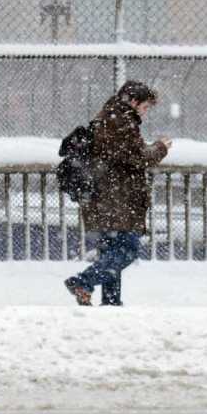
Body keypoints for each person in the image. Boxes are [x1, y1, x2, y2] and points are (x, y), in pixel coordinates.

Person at [64, 81, 169, 307]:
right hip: (116, 199)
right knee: (127, 251)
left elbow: (126, 155)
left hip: (107, 198)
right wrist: (161, 147)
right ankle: (84, 282)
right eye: (146, 106)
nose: (146, 111)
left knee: (112, 252)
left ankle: (111, 303)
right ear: (133, 101)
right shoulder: (119, 122)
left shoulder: (109, 118)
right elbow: (138, 156)